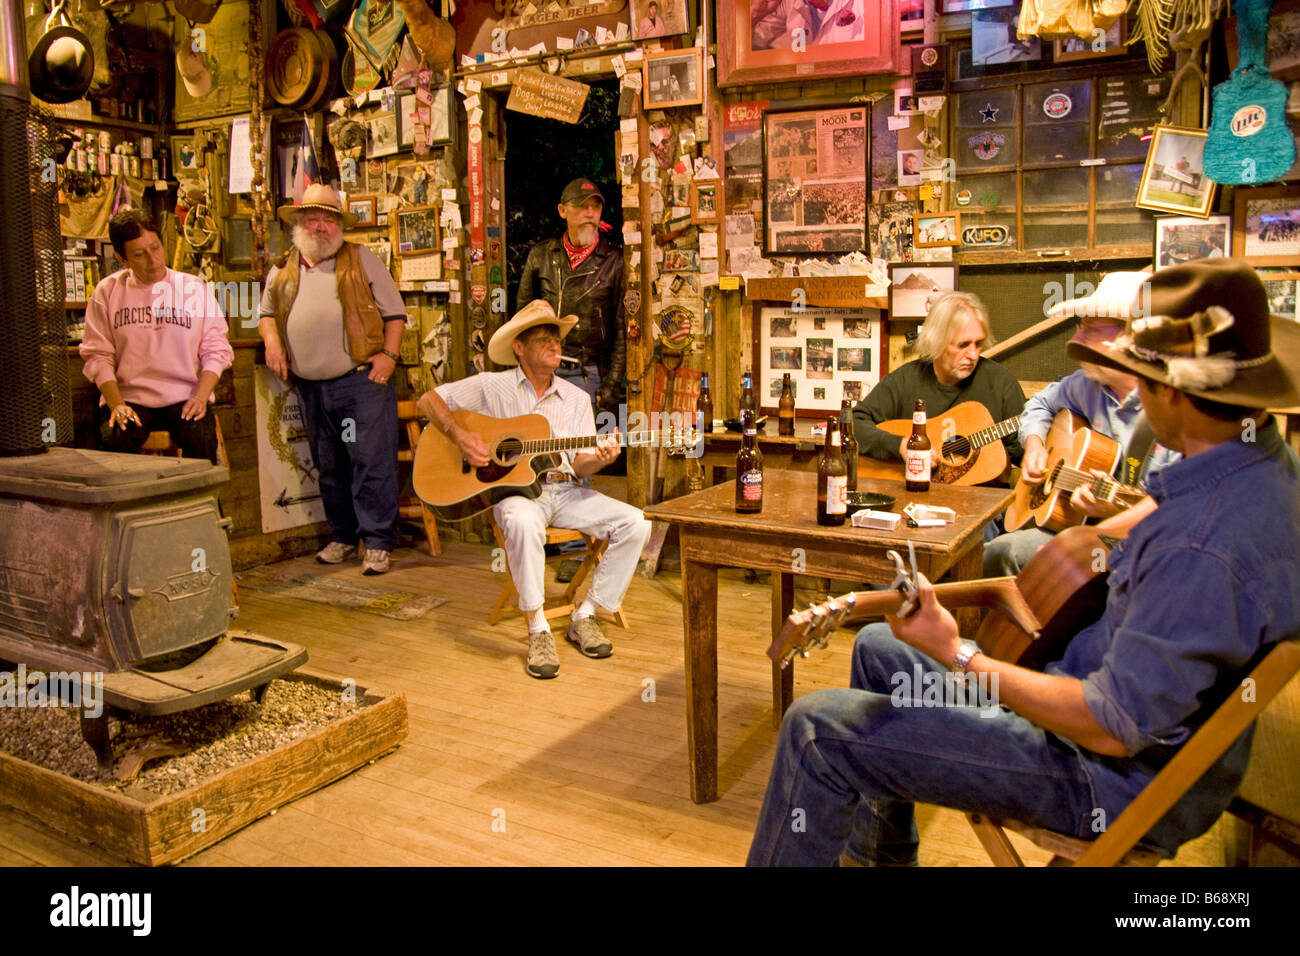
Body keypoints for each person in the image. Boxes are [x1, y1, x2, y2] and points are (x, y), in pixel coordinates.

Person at [747, 258, 1300, 865]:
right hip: (1085, 712)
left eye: (1143, 379)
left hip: (1100, 775)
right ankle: (882, 852)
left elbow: (1111, 724)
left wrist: (961, 653)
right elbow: (1143, 532)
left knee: (815, 729)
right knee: (879, 648)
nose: (1135, 392)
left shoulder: (1203, 543)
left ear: (1173, 390)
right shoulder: (1259, 472)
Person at [417, 300, 652, 680]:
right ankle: (538, 628)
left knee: (637, 522)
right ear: (519, 348)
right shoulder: (491, 387)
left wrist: (602, 459)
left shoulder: (576, 398)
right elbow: (429, 400)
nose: (555, 345)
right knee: (524, 523)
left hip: (565, 492)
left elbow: (578, 465)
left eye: (557, 338)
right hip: (514, 495)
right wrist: (460, 437)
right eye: (544, 339)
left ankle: (586, 613)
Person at [983, 272, 1182, 576]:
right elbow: (1040, 404)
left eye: (1088, 330)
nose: (1074, 341)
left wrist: (1112, 513)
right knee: (1000, 550)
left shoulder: (1177, 411)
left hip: (1149, 549)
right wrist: (1035, 445)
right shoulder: (1087, 385)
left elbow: (1178, 510)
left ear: (1131, 338)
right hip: (1078, 521)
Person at [256, 184, 406, 575]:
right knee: (329, 465)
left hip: (358, 384)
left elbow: (396, 315)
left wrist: (388, 357)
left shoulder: (361, 259)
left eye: (329, 218)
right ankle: (342, 536)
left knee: (368, 460)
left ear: (338, 225)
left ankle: (375, 541)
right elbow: (266, 313)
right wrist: (272, 342)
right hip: (310, 386)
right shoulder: (283, 267)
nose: (321, 226)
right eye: (314, 218)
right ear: (299, 224)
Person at [80, 208, 233, 464]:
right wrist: (116, 403)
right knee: (114, 437)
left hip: (185, 396)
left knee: (201, 438)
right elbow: (97, 355)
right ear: (122, 257)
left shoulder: (192, 288)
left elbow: (216, 349)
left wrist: (201, 396)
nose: (153, 260)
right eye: (140, 254)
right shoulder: (107, 291)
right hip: (130, 398)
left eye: (155, 248)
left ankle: (199, 504)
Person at [851, 291, 1025, 472]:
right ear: (937, 342)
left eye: (978, 343)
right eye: (963, 345)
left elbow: (1023, 450)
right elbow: (852, 423)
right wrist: (900, 446)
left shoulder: (1002, 384)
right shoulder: (904, 381)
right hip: (915, 494)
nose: (973, 355)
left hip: (983, 496)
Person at [517, 177, 627, 414]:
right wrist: (523, 372)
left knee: (586, 448)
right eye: (581, 206)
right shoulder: (541, 256)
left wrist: (611, 387)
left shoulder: (614, 261)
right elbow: (521, 320)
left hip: (589, 373)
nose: (590, 213)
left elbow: (622, 330)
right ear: (562, 211)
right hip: (542, 370)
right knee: (542, 445)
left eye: (595, 207)